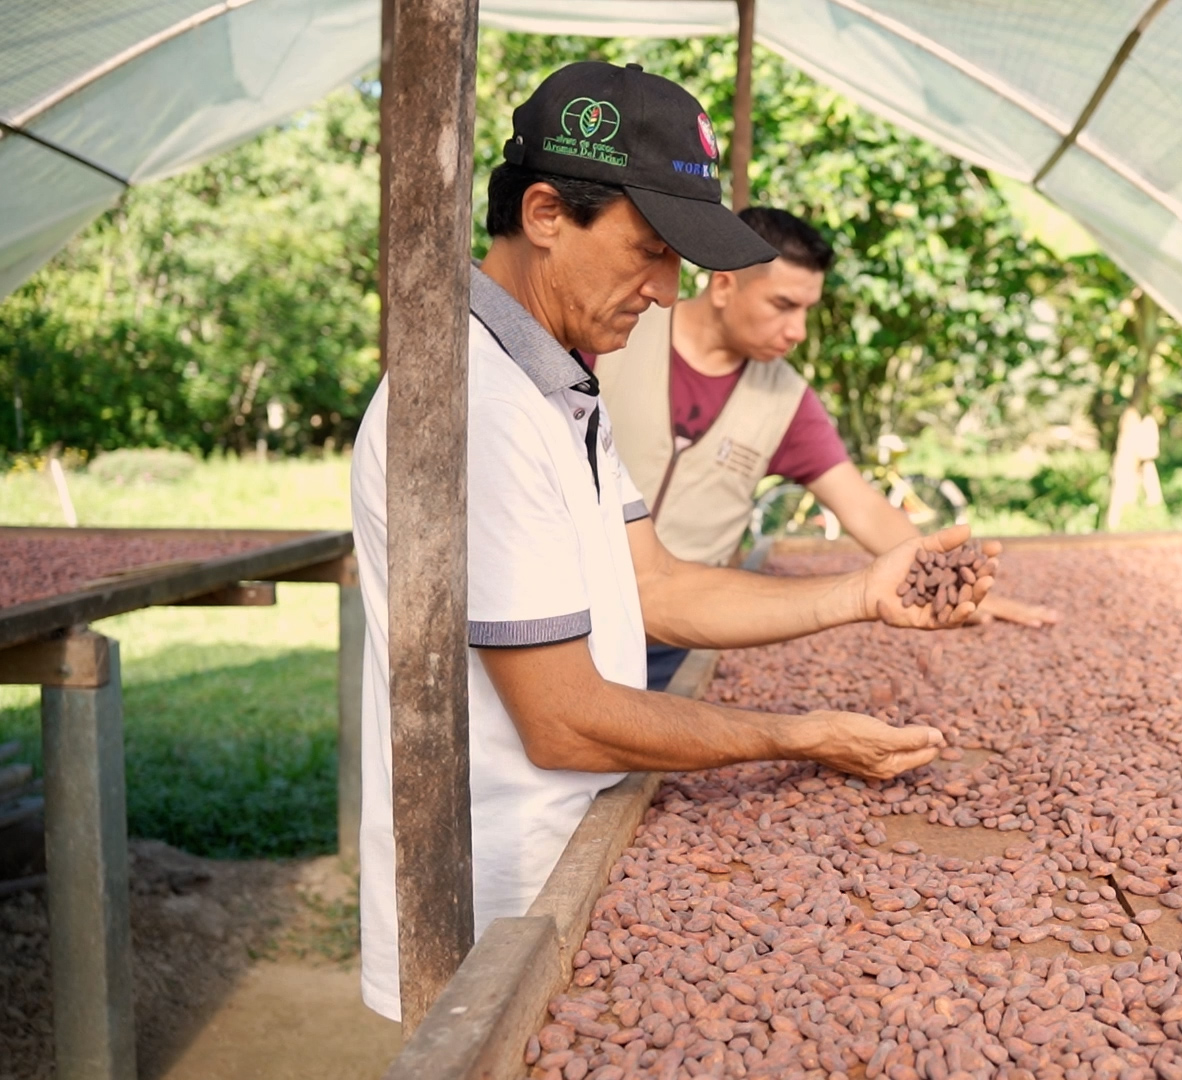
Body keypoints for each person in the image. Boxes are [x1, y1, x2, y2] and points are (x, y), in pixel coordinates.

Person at [348, 62, 996, 1023]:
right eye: (648, 250)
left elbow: (653, 584)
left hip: (574, 847)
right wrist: (792, 738)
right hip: (500, 890)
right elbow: (563, 718)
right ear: (544, 213)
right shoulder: (474, 407)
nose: (661, 291)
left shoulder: (555, 382)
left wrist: (864, 595)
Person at [594, 207, 1061, 691]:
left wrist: (949, 582)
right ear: (724, 285)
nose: (797, 330)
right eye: (782, 305)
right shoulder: (613, 336)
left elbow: (860, 505)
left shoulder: (787, 399)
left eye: (806, 310)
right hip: (569, 616)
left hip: (679, 637)